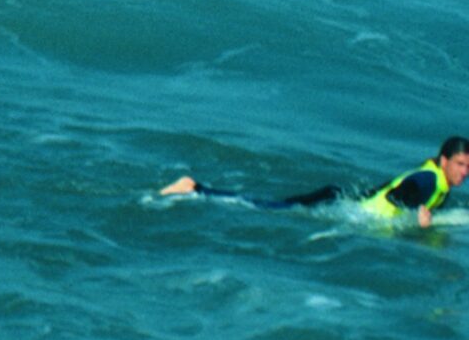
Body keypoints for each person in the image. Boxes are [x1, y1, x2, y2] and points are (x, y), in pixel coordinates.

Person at [160, 137, 469, 230]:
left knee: (270, 205)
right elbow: (407, 190)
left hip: (341, 199)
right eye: (460, 164)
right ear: (443, 160)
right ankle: (194, 188)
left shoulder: (437, 180)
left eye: (468, 167)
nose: (464, 172)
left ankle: (198, 189)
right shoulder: (430, 179)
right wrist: (417, 214)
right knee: (265, 208)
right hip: (338, 205)